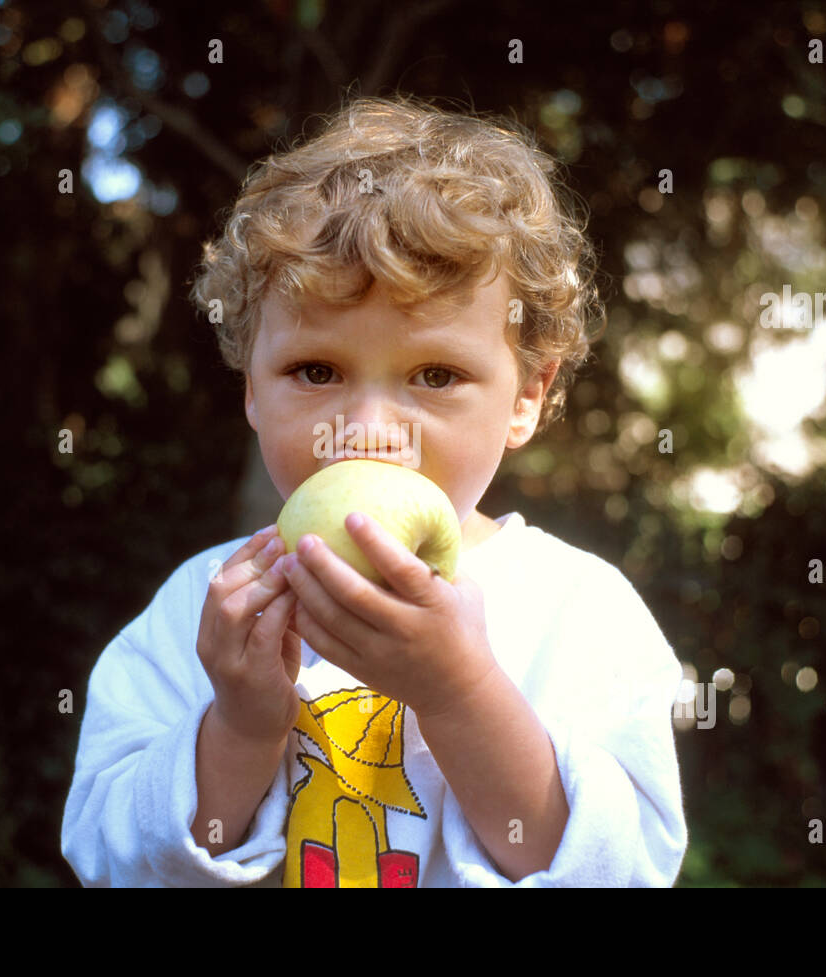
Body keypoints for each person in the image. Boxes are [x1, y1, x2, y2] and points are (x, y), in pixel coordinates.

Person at [61, 94, 687, 887]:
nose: (367, 429)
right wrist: (243, 726)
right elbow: (114, 863)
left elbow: (620, 872)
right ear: (251, 387)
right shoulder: (204, 611)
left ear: (527, 393)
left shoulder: (580, 612)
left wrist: (459, 693)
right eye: (315, 371)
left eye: (436, 375)